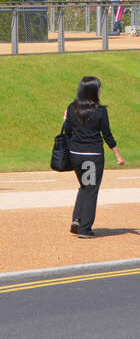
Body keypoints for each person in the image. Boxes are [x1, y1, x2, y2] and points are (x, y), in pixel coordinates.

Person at [61, 76, 125, 238]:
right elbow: (107, 135)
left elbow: (67, 131)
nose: (101, 89)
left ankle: (77, 219)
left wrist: (66, 119)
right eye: (99, 87)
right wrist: (117, 155)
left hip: (75, 155)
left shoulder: (71, 108)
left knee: (85, 186)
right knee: (91, 190)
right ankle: (84, 229)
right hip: (92, 156)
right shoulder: (100, 110)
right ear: (93, 90)